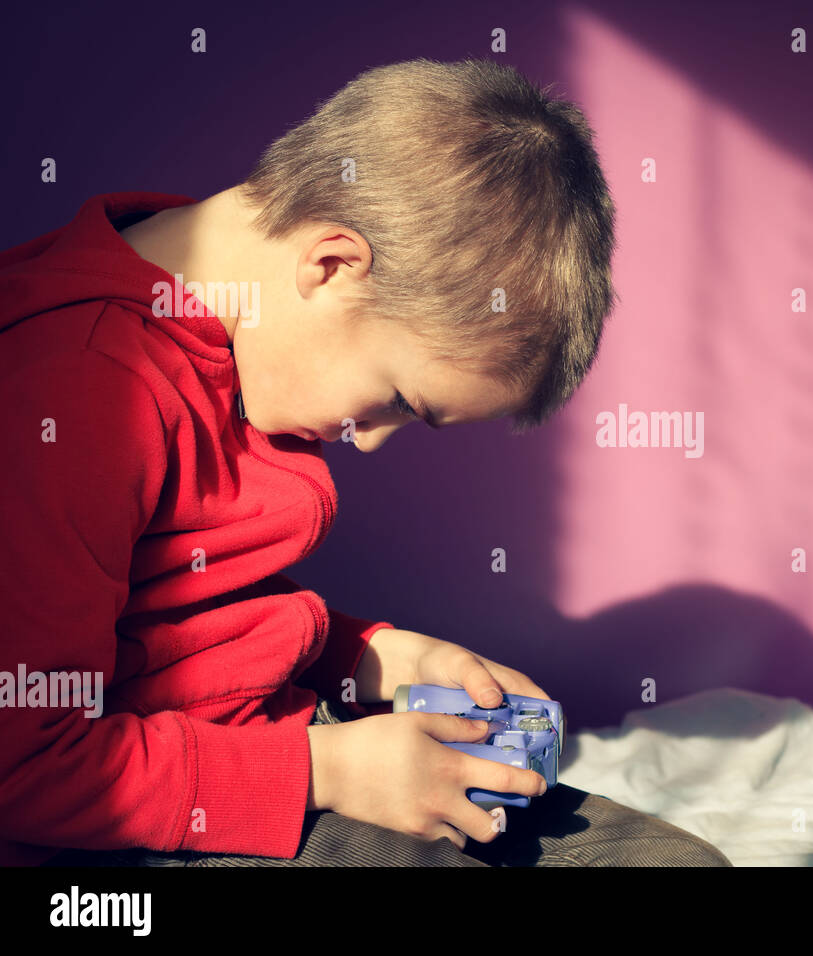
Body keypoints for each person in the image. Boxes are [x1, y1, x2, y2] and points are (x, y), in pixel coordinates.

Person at [0, 57, 730, 867]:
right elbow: (23, 764)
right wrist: (330, 770)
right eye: (398, 400)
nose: (372, 439)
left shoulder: (234, 327)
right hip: (169, 814)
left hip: (284, 745)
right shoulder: (82, 390)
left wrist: (374, 655)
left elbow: (178, 612)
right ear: (332, 266)